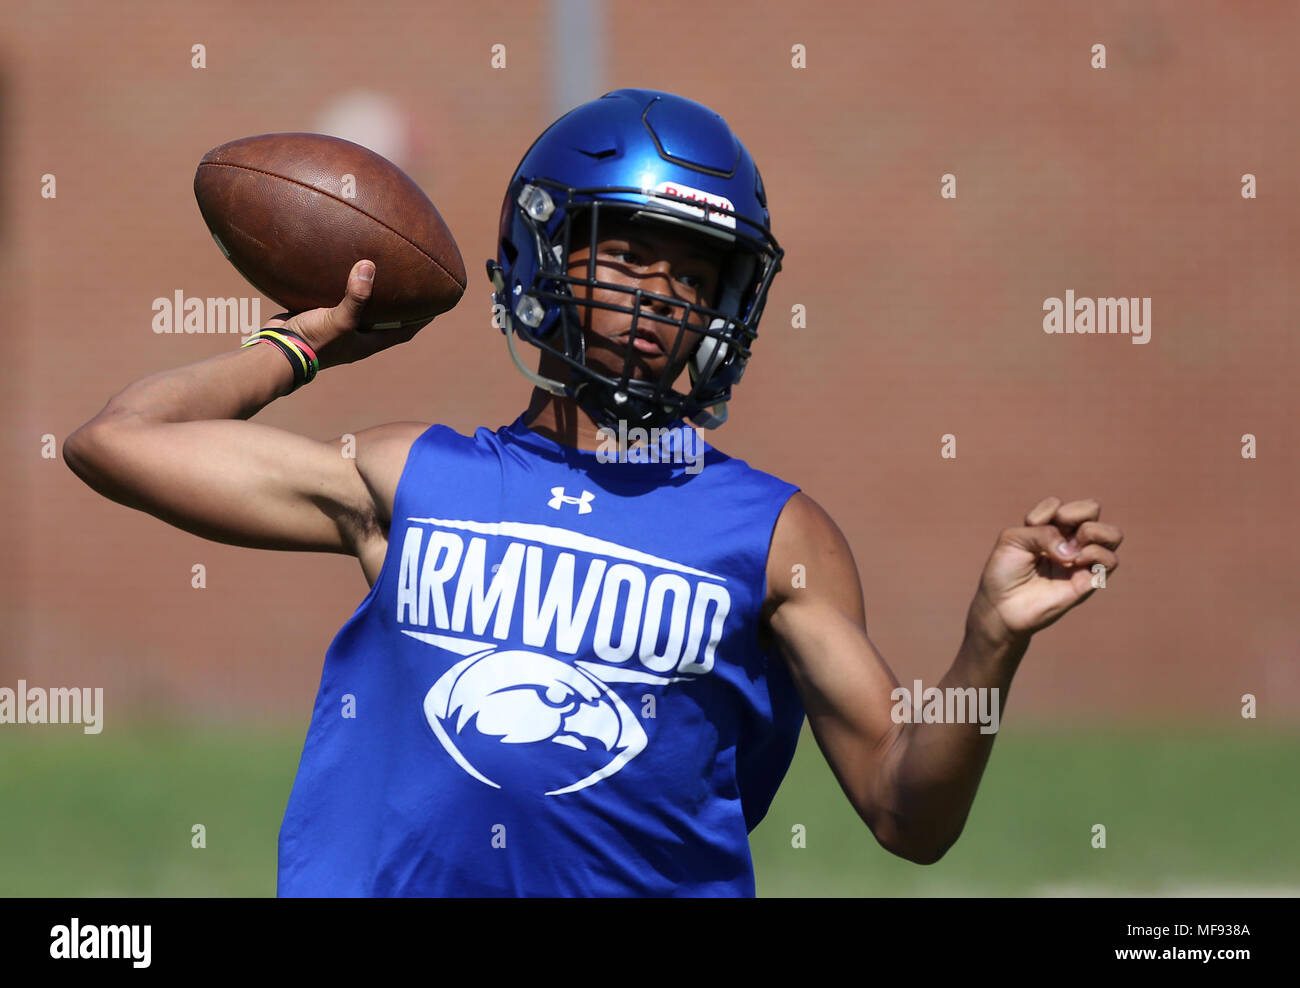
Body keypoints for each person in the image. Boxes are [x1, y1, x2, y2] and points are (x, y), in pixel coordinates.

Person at [63, 88, 1122, 896]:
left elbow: (907, 812)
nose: (660, 298)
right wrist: (307, 343)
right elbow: (118, 441)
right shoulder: (413, 476)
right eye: (629, 257)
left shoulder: (775, 536)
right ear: (546, 257)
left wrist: (991, 640)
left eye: (695, 273)